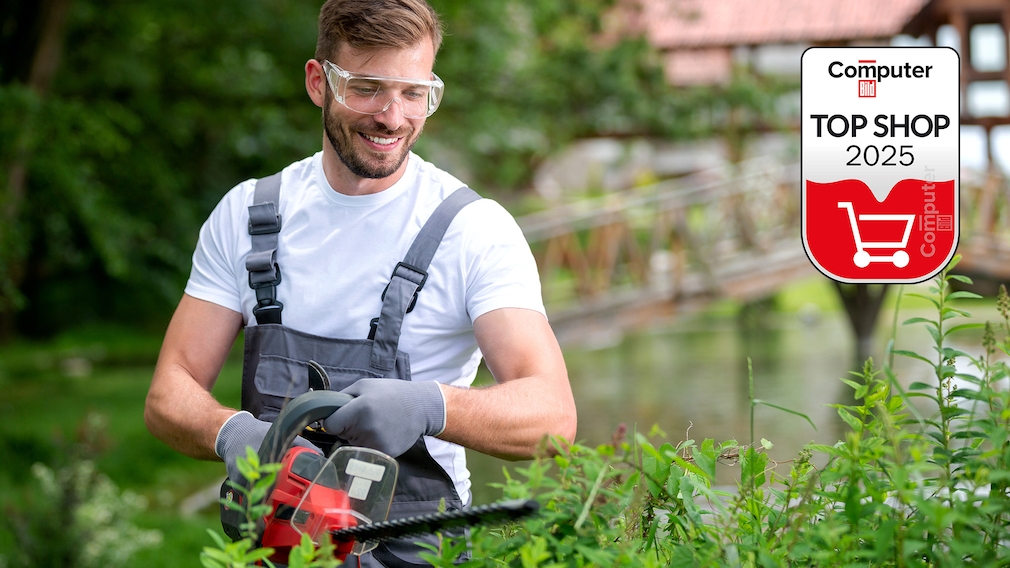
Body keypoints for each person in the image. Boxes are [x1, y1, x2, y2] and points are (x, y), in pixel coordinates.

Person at [143, 0, 577, 565]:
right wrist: (235, 435)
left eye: (414, 92)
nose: (393, 117)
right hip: (276, 554)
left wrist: (432, 405)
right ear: (318, 81)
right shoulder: (247, 215)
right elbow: (166, 395)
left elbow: (553, 418)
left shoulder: (472, 230)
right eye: (368, 87)